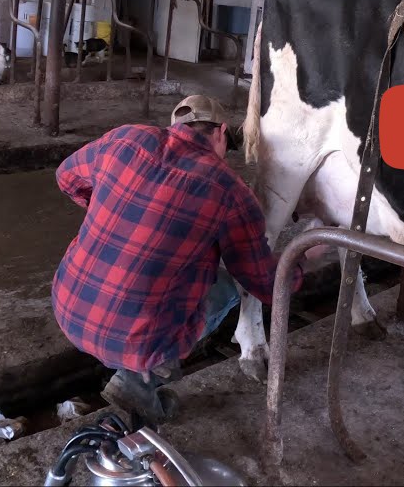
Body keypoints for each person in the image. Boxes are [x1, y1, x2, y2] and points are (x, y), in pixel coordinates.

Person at [51, 94, 301, 423]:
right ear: (221, 132)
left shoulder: (126, 138)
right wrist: (301, 260)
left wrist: (111, 207)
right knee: (227, 284)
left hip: (68, 308)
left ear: (174, 126)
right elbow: (263, 282)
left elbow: (66, 176)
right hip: (135, 340)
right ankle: (141, 376)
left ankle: (134, 367)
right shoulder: (230, 189)